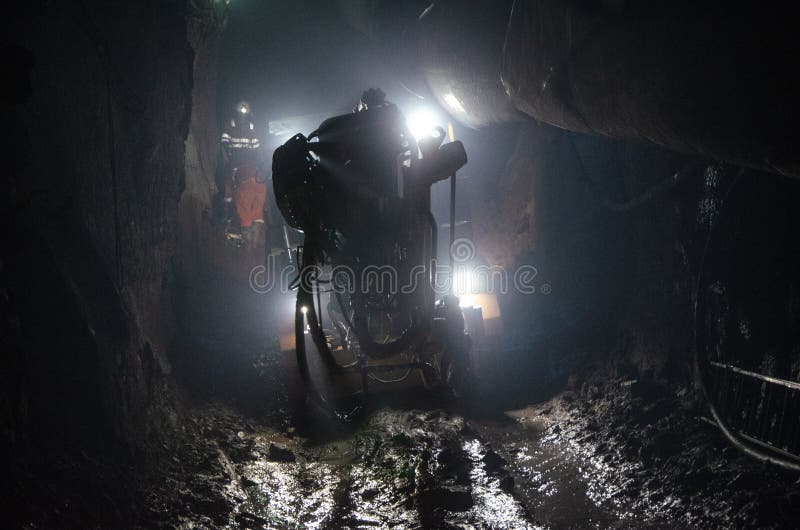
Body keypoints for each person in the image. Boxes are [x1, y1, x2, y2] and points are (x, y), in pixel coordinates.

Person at [220, 100, 267, 249]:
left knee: (239, 191)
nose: (242, 118)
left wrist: (260, 161)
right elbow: (224, 143)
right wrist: (227, 157)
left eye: (244, 115)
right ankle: (226, 213)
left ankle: (231, 216)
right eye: (241, 115)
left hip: (248, 165)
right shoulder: (230, 126)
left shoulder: (251, 128)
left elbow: (257, 147)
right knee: (228, 184)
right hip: (236, 163)